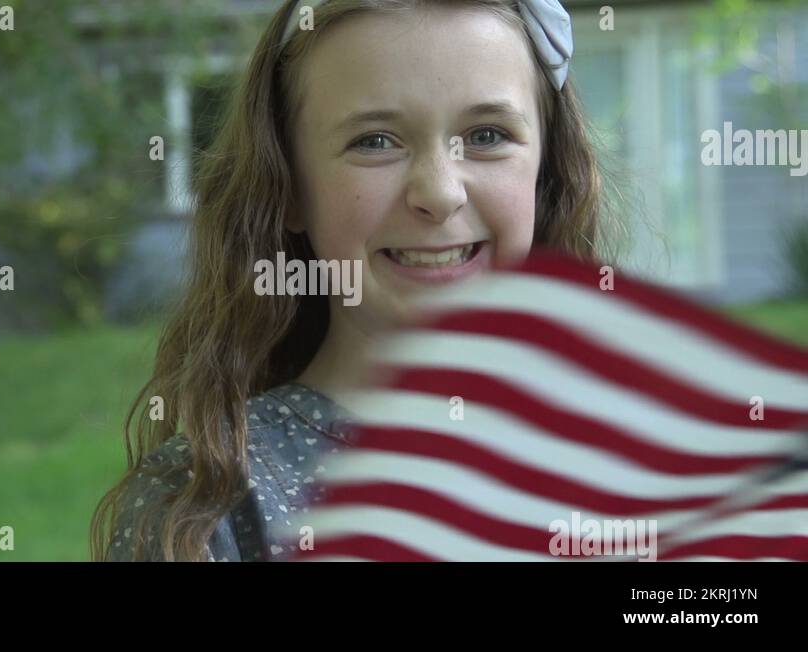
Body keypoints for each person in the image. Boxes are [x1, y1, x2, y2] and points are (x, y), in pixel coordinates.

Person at [91, 0, 624, 562]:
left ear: (547, 170)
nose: (441, 193)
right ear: (289, 187)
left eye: (487, 133)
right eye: (375, 142)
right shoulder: (210, 507)